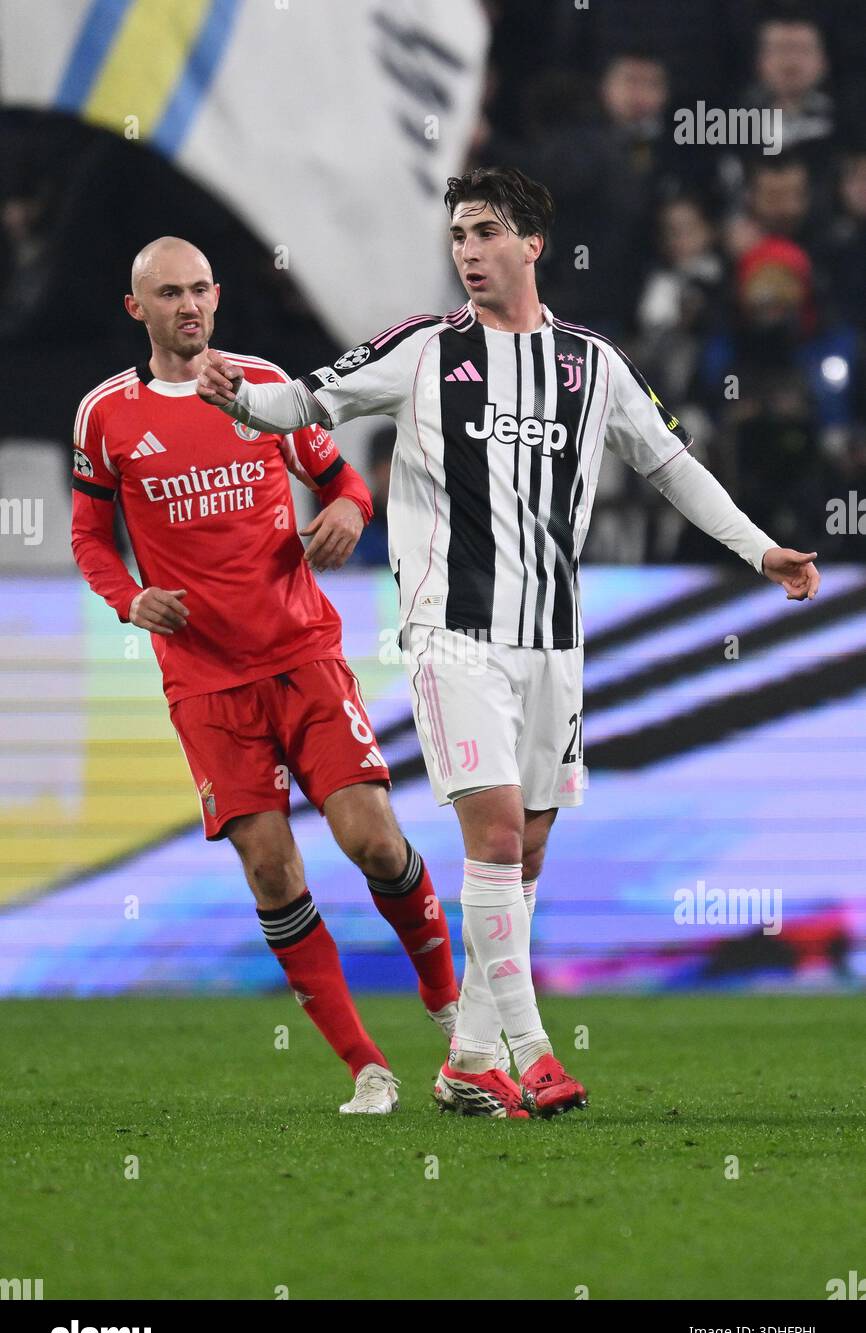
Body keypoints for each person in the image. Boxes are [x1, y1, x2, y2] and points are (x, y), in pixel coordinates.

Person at [197, 168, 820, 1121]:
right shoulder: (421, 352)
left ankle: (467, 1061)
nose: (468, 252)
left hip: (554, 645)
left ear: (533, 244)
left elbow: (671, 465)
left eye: (485, 232)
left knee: (520, 860)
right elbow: (307, 406)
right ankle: (533, 1055)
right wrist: (239, 396)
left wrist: (761, 548)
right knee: (490, 834)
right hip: (454, 633)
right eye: (457, 237)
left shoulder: (593, 365)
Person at [71, 236, 460, 1116]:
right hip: (205, 682)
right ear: (138, 308)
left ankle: (450, 1006)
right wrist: (131, 600)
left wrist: (348, 517)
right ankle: (368, 1067)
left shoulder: (257, 386)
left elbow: (347, 483)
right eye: (170, 294)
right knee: (272, 872)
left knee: (372, 840)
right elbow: (91, 539)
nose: (191, 306)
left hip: (303, 656)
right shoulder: (107, 416)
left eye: (201, 290)